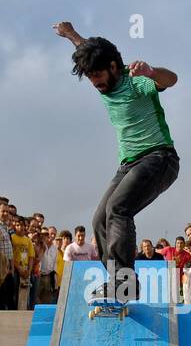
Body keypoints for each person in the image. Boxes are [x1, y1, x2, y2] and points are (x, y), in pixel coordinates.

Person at [53, 21, 179, 302]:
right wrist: (70, 34)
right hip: (129, 165)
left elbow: (171, 80)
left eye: (98, 75)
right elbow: (87, 49)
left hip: (159, 157)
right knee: (100, 219)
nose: (95, 83)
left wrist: (151, 72)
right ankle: (116, 283)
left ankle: (125, 283)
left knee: (118, 208)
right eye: (90, 77)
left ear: (113, 67)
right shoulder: (100, 69)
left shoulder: (136, 81)